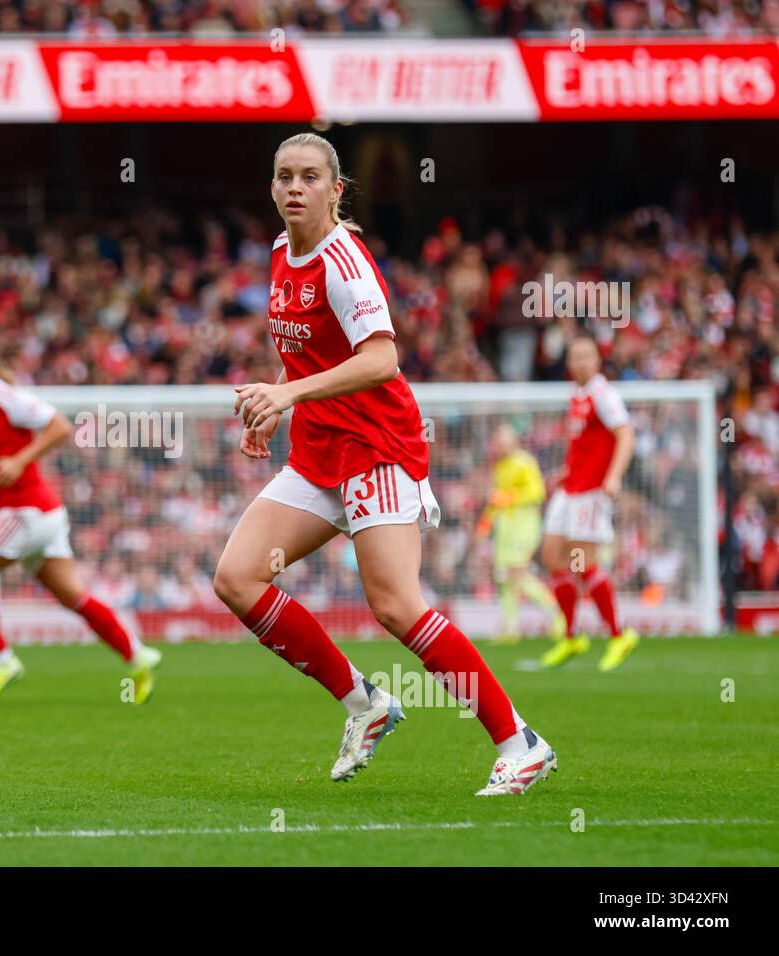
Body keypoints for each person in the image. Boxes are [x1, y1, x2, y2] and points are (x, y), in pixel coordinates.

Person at [213, 132, 556, 796]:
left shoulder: (343, 259)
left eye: (309, 177)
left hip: (376, 446)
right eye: (283, 175)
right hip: (320, 450)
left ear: (335, 189)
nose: (293, 187)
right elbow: (309, 356)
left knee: (397, 607)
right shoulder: (284, 251)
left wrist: (286, 392)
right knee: (237, 578)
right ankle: (364, 701)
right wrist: (277, 405)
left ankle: (521, 743)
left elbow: (380, 359)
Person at [0, 329, 162, 703]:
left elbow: (60, 426)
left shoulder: (6, 399)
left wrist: (20, 461)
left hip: (29, 510)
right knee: (74, 597)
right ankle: (138, 656)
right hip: (41, 516)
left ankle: (2, 660)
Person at [539, 335, 640, 671]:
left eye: (587, 356)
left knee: (582, 562)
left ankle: (618, 634)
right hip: (571, 488)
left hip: (591, 492)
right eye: (575, 356)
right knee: (552, 556)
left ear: (598, 360)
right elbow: (589, 443)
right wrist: (566, 470)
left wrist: (613, 477)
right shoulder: (578, 395)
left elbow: (625, 434)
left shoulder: (602, 393)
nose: (581, 362)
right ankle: (571, 637)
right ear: (569, 362)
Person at [476, 424, 565, 643]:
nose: (499, 445)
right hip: (505, 525)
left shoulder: (524, 462)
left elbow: (537, 492)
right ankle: (510, 628)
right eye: (497, 441)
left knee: (516, 572)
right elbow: (495, 501)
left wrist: (506, 497)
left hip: (524, 521)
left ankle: (558, 616)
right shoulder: (500, 466)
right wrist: (484, 527)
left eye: (503, 440)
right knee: (503, 577)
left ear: (513, 441)